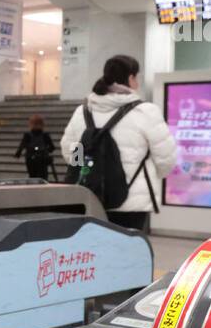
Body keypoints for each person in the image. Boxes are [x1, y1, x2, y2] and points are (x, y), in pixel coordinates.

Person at [60, 54, 177, 232]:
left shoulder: (82, 111)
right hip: (131, 202)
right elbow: (166, 159)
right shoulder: (146, 112)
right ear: (130, 78)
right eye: (136, 77)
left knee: (96, 251)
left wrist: (90, 168)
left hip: (90, 196)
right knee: (130, 253)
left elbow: (72, 153)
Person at [15, 113, 56, 181]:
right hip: (42, 159)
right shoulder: (45, 135)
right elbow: (52, 148)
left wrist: (18, 154)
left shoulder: (27, 135)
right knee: (43, 178)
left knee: (32, 177)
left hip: (30, 159)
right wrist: (44, 150)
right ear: (42, 124)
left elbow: (22, 146)